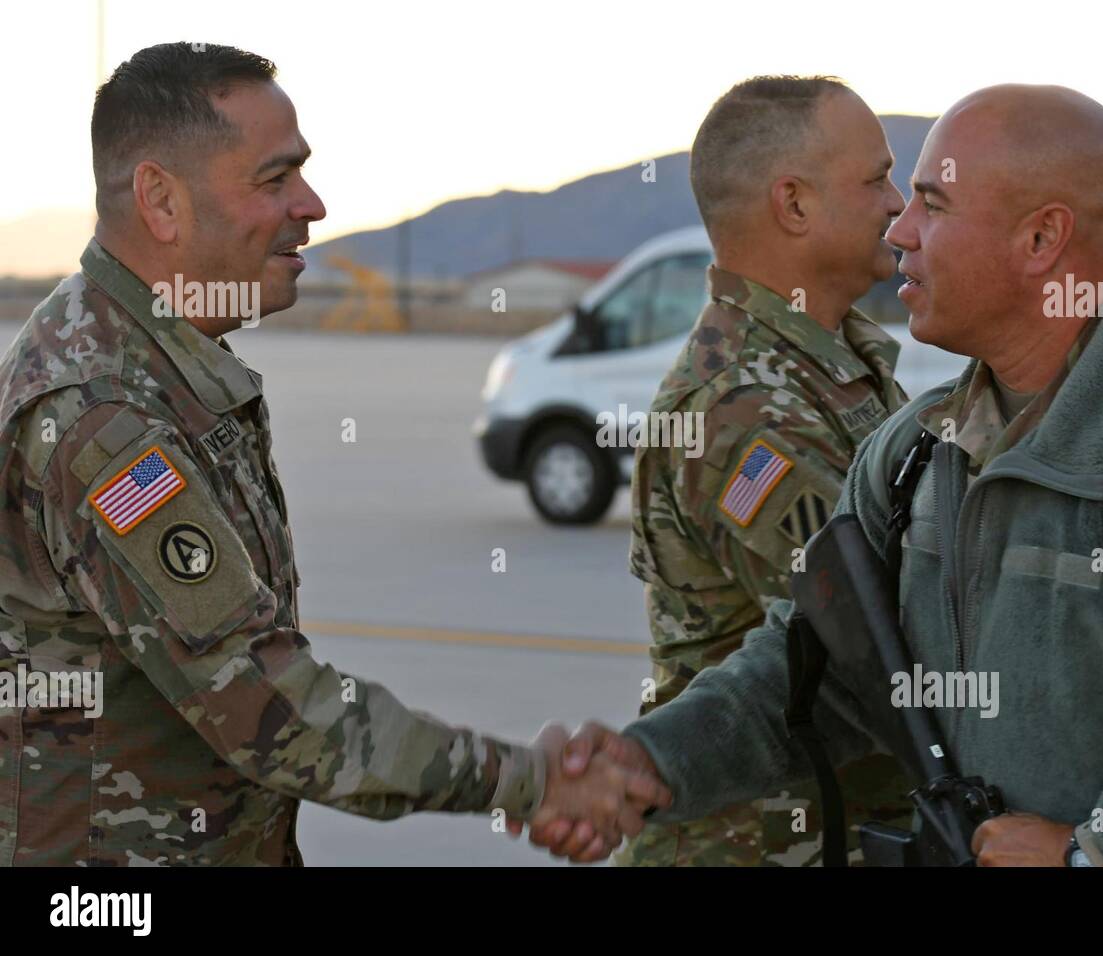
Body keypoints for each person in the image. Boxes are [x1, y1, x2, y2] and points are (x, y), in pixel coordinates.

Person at [533, 84, 1103, 866]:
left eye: (933, 204)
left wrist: (1097, 853)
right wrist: (653, 762)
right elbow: (819, 664)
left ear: (1041, 241)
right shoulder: (913, 453)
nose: (899, 228)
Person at [0, 42, 667, 866]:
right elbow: (271, 711)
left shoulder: (157, 361)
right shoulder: (103, 414)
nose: (311, 205)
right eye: (274, 180)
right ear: (161, 200)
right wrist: (528, 782)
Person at [620, 75, 912, 866]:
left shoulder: (834, 363)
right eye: (876, 178)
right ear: (795, 205)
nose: (898, 203)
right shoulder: (741, 410)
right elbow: (877, 641)